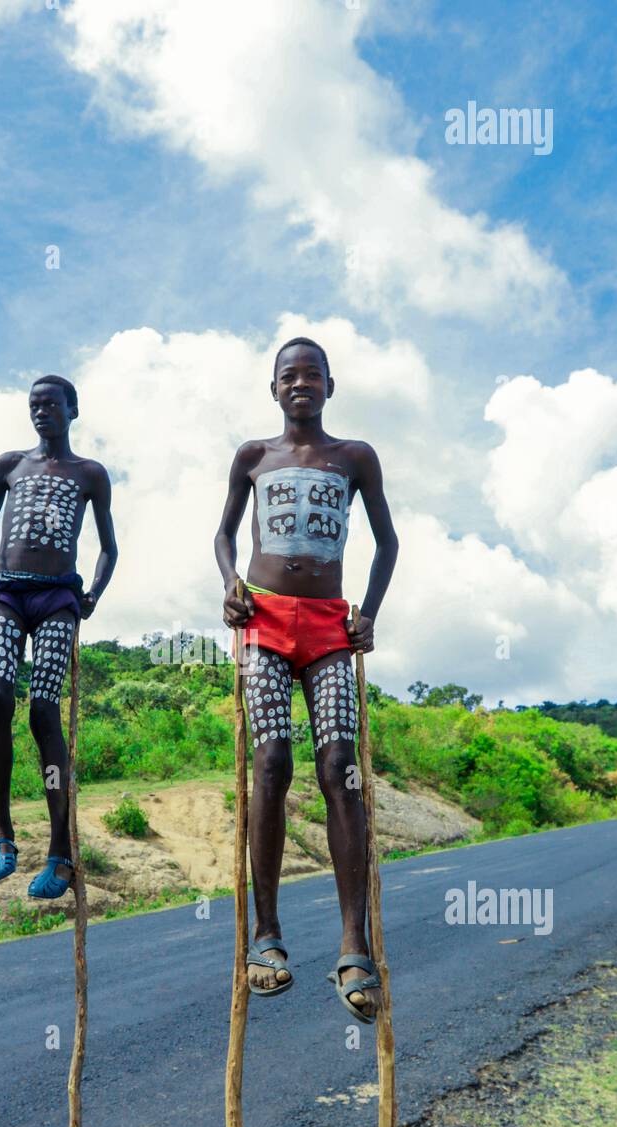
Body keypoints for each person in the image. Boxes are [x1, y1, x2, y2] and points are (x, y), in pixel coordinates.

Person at [214, 338, 398, 1021]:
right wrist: (230, 583)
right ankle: (266, 937)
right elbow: (223, 535)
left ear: (329, 385)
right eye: (288, 375)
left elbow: (388, 541)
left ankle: (354, 943)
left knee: (341, 767)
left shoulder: (354, 458)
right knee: (272, 760)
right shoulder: (253, 457)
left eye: (311, 375)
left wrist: (368, 616)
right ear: (273, 388)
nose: (301, 384)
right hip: (263, 623)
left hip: (327, 627)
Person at [0, 374, 117, 897]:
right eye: (34, 404)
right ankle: (3, 835)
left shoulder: (90, 473)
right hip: (7, 595)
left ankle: (60, 851)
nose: (41, 412)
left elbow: (108, 548)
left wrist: (93, 594)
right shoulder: (9, 465)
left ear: (72, 410)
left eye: (51, 404)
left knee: (43, 711)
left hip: (58, 599)